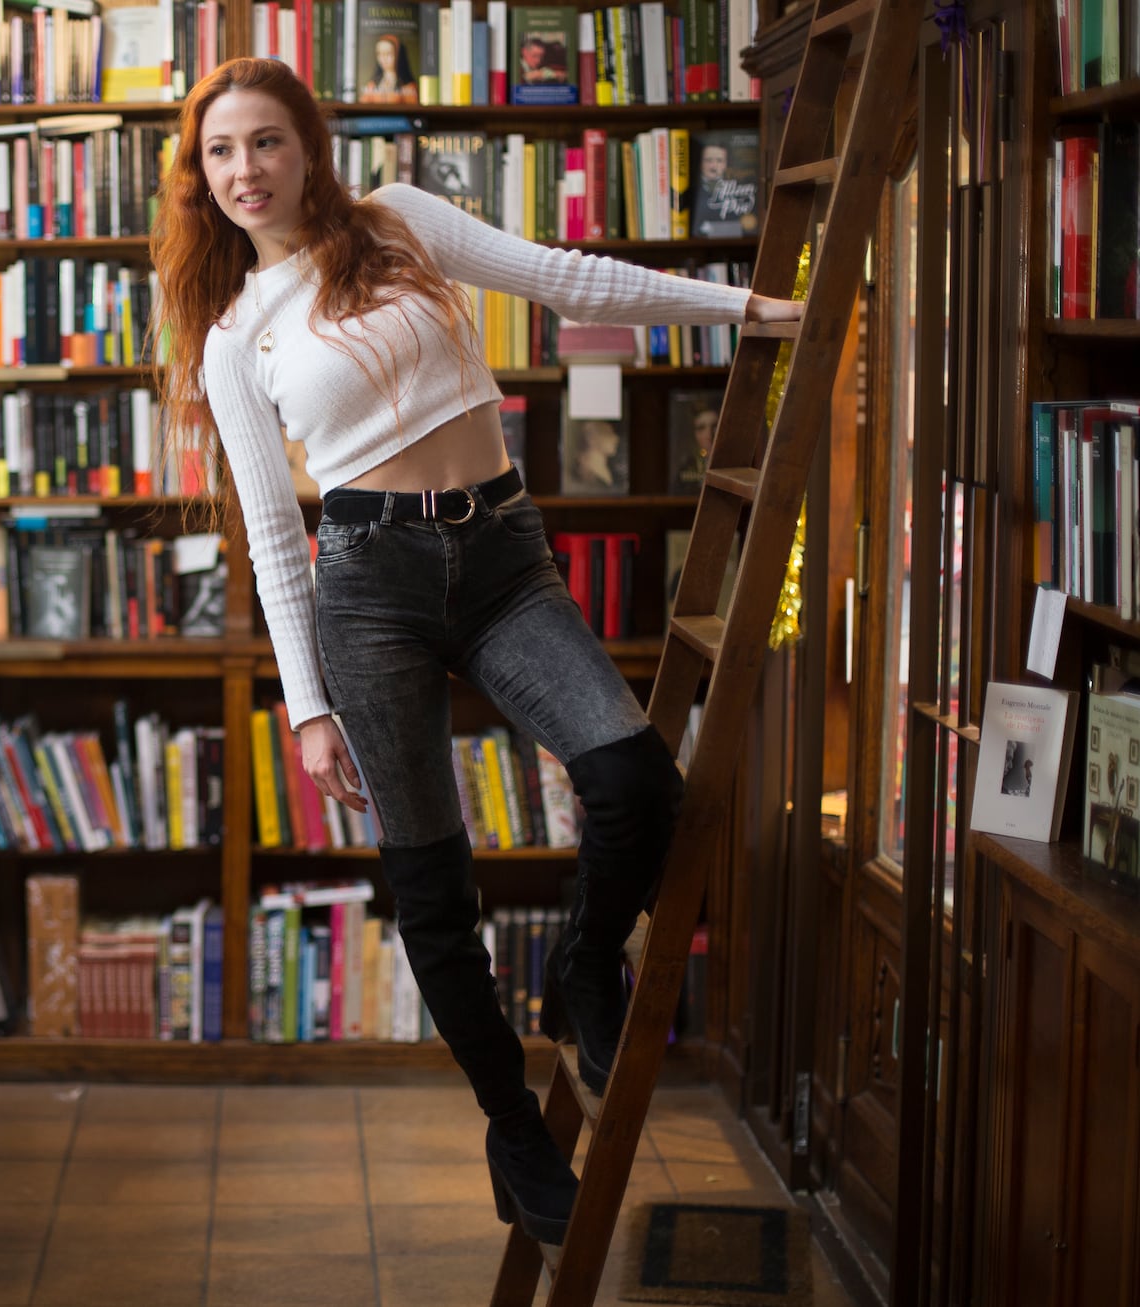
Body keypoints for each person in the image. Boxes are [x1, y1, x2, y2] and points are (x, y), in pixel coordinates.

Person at [148, 58, 803, 1247]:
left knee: (629, 780)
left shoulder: (401, 221)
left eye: (265, 142)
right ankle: (512, 1123)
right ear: (199, 177)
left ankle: (584, 963)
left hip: (502, 559)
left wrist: (744, 311)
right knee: (431, 879)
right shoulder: (234, 335)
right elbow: (273, 533)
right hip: (368, 588)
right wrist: (305, 707)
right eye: (219, 153)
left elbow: (564, 279)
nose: (244, 170)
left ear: (310, 144)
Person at [361, 34, 418, 104]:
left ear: (398, 55)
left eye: (388, 54)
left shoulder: (409, 87)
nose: (383, 59)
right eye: (380, 54)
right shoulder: (372, 85)